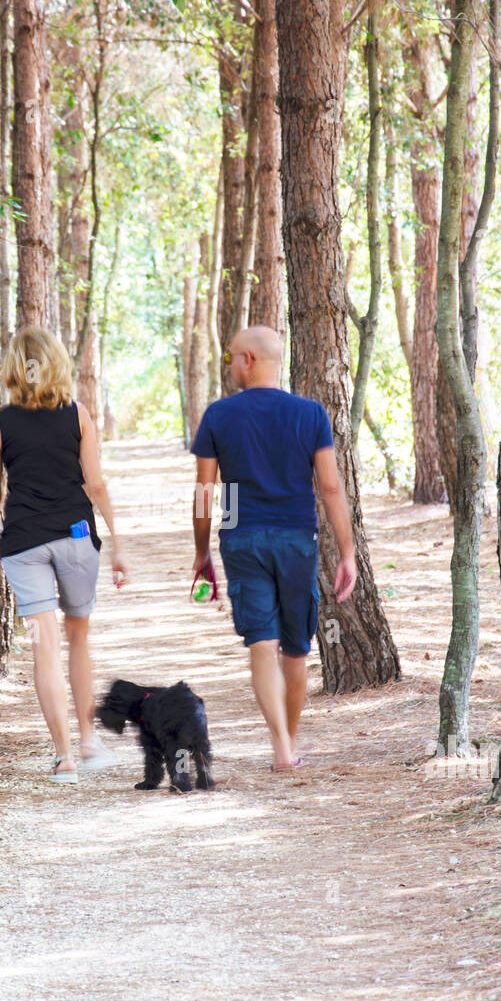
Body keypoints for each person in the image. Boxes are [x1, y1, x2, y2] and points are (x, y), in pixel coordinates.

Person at [190, 324, 356, 771]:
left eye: (229, 358)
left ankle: (281, 742)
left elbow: (206, 492)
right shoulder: (310, 414)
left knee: (261, 644)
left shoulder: (219, 416)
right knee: (296, 647)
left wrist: (202, 553)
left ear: (249, 359)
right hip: (296, 536)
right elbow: (331, 487)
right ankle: (287, 747)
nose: (228, 366)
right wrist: (347, 552)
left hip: (240, 533)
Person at [0, 327, 127, 782]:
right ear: (58, 363)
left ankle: (63, 757)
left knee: (44, 646)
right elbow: (95, 483)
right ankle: (89, 741)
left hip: (23, 543)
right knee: (78, 638)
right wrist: (118, 544)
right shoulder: (78, 415)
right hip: (76, 537)